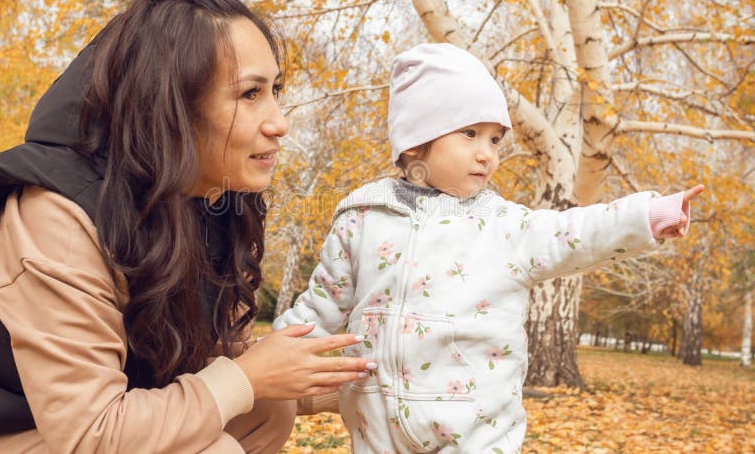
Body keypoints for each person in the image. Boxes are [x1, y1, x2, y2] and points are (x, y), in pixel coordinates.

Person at [0, 0, 375, 453]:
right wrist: (246, 378)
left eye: (274, 90)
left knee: (266, 408)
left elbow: (212, 362)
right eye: (250, 94)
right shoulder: (58, 216)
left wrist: (357, 380)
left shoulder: (207, 201)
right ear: (172, 102)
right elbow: (92, 433)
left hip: (66, 423)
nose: (280, 122)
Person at [273, 43, 704, 453]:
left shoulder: (503, 226)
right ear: (416, 140)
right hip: (375, 424)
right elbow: (321, 305)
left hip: (476, 427)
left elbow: (574, 232)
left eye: (495, 140)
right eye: (470, 134)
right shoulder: (362, 218)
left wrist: (646, 216)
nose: (487, 154)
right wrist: (265, 356)